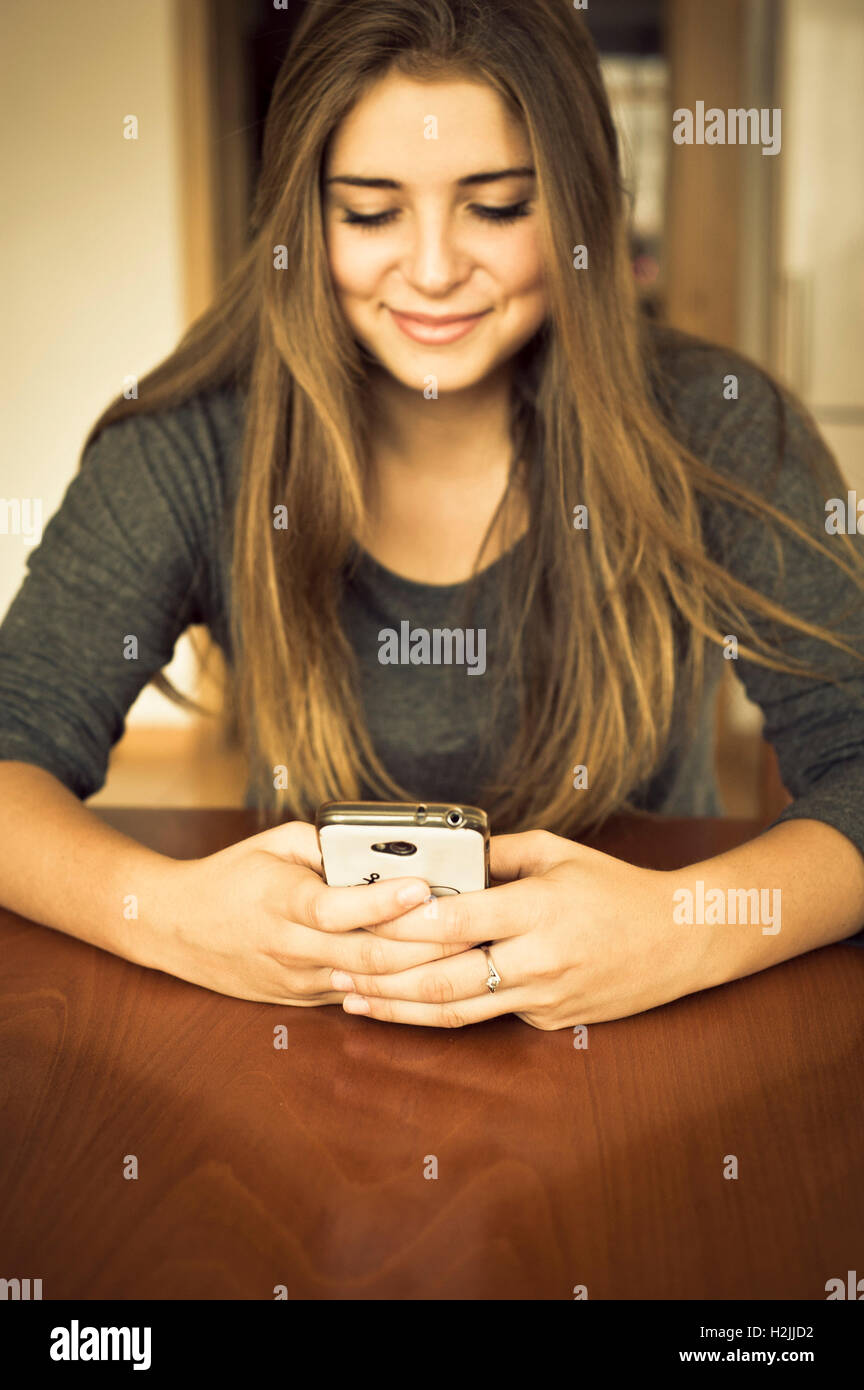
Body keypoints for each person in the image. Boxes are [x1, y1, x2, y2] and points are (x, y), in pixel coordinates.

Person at [1, 0, 862, 1030]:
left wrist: (680, 926)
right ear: (304, 218)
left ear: (582, 208)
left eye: (497, 207)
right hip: (314, 1044)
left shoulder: (717, 428)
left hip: (638, 1040)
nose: (436, 269)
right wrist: (170, 916)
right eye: (370, 212)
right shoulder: (194, 446)